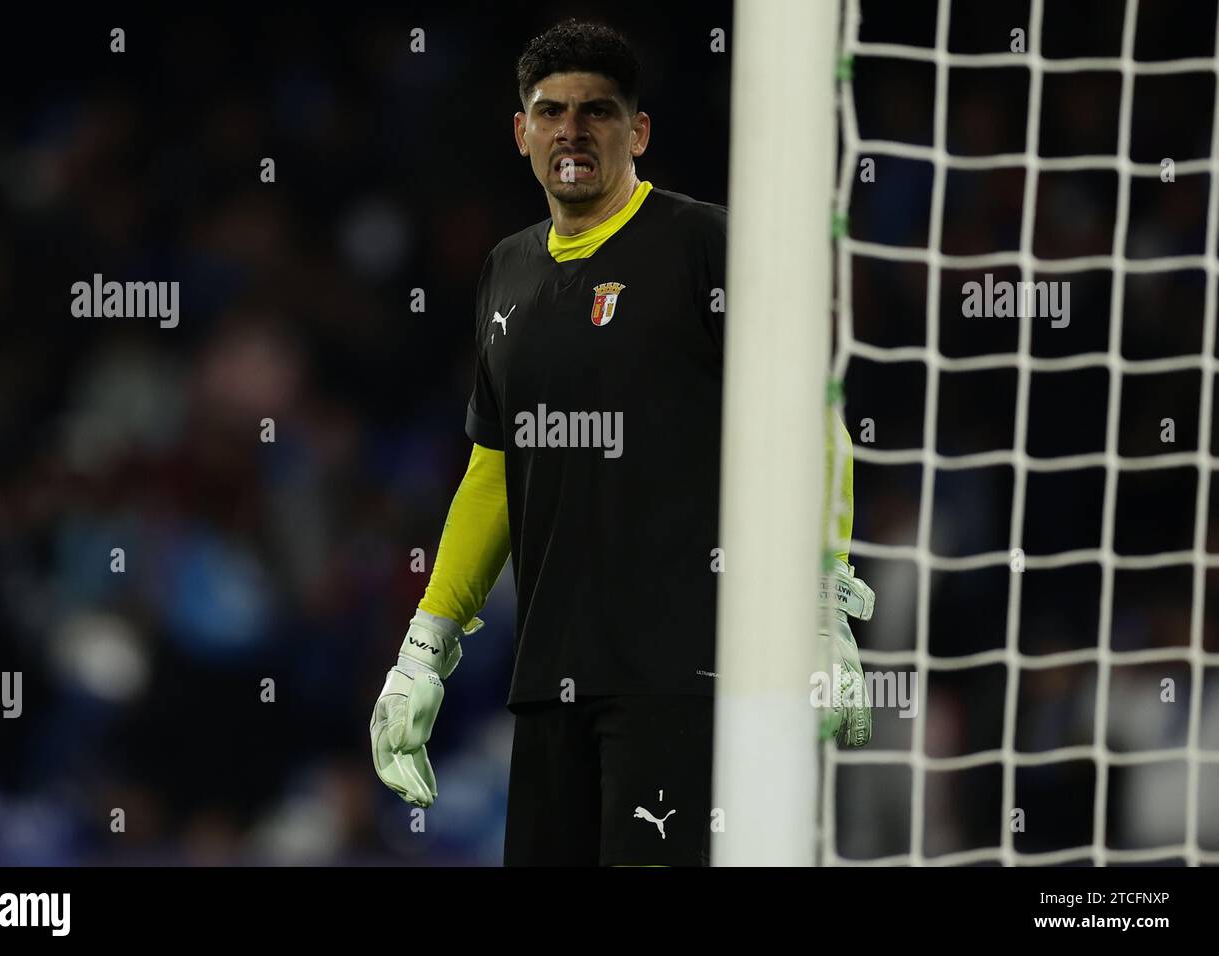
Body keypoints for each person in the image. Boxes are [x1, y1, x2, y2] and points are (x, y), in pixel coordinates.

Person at [370, 18, 874, 867]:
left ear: (636, 132)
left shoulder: (705, 244)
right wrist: (425, 647)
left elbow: (810, 417)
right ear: (522, 132)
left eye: (597, 111)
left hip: (683, 675)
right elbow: (493, 474)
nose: (572, 131)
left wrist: (825, 597)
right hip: (547, 679)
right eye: (551, 111)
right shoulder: (506, 271)